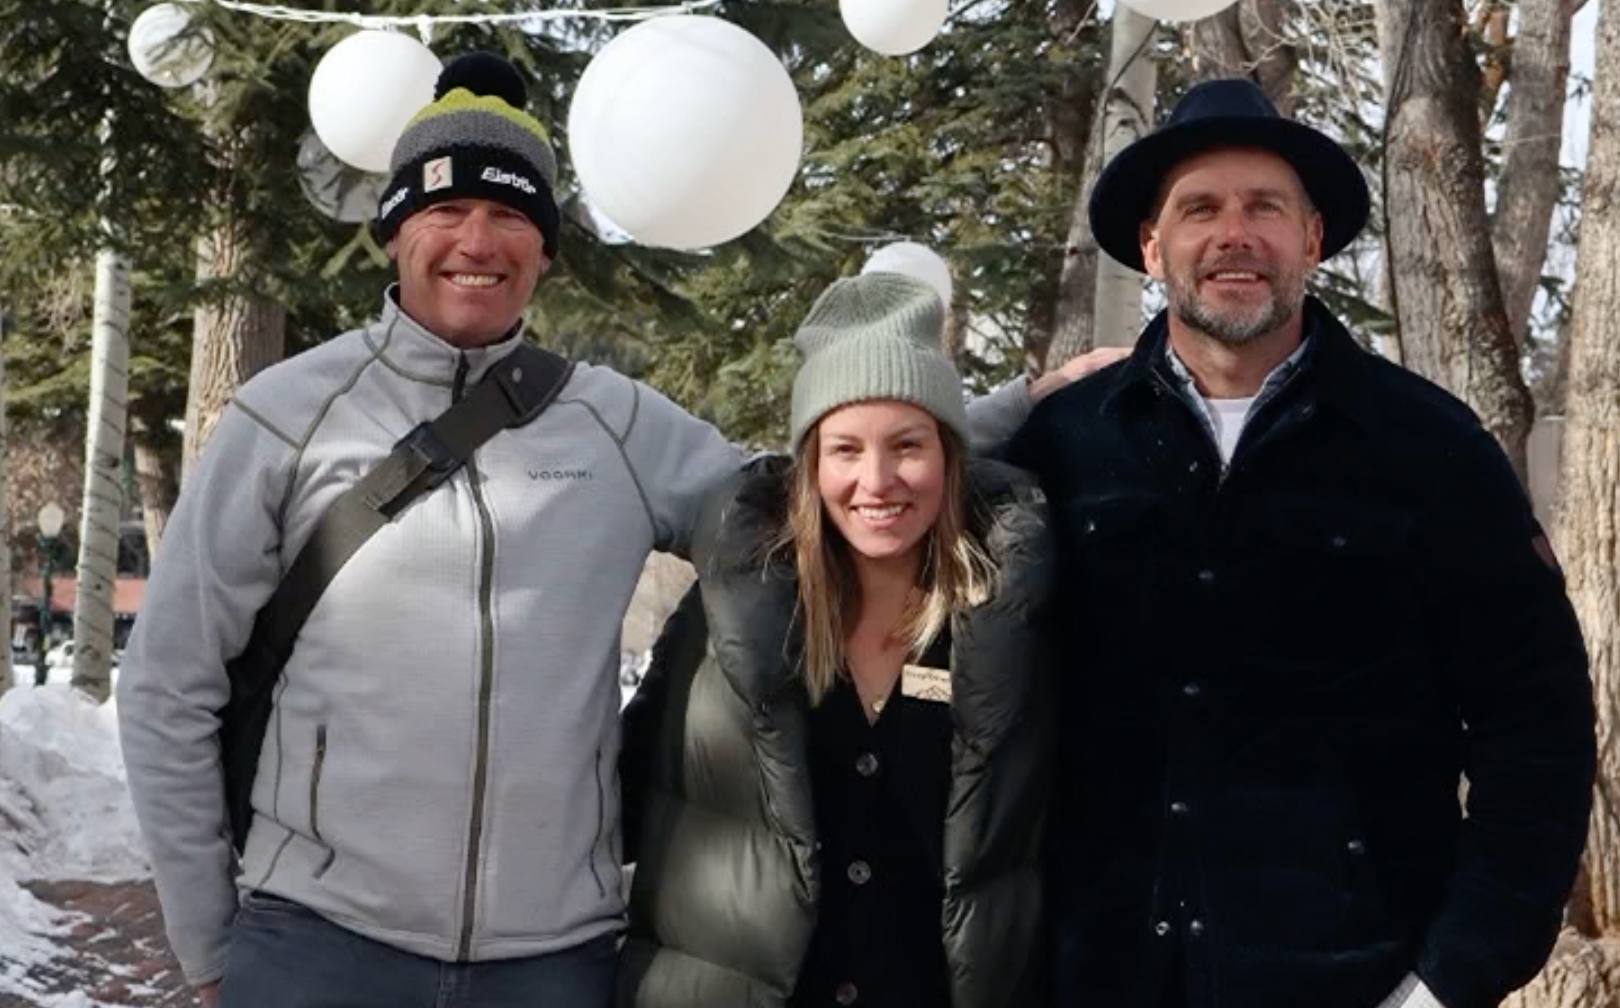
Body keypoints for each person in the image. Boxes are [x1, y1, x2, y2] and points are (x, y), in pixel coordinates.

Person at [118, 52, 1110, 1008]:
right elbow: (170, 683)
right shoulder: (286, 416)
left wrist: (1000, 409)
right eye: (445, 209)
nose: (477, 239)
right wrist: (207, 936)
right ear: (395, 232)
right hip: (320, 944)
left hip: (552, 962)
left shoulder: (612, 422)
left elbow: (817, 488)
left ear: (544, 247)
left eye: (509, 213)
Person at [1007, 78, 1597, 1008]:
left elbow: (1540, 727)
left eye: (1264, 208)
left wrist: (1456, 971)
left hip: (1354, 976)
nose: (1234, 233)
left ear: (1311, 239)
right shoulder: (1061, 448)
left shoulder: (1431, 450)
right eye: (1200, 209)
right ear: (1153, 248)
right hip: (1098, 973)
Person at [617, 271, 1055, 1008]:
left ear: (951, 457)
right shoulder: (729, 614)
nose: (876, 481)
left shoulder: (1008, 625)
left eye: (907, 445)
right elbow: (624, 797)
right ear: (809, 467)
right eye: (845, 449)